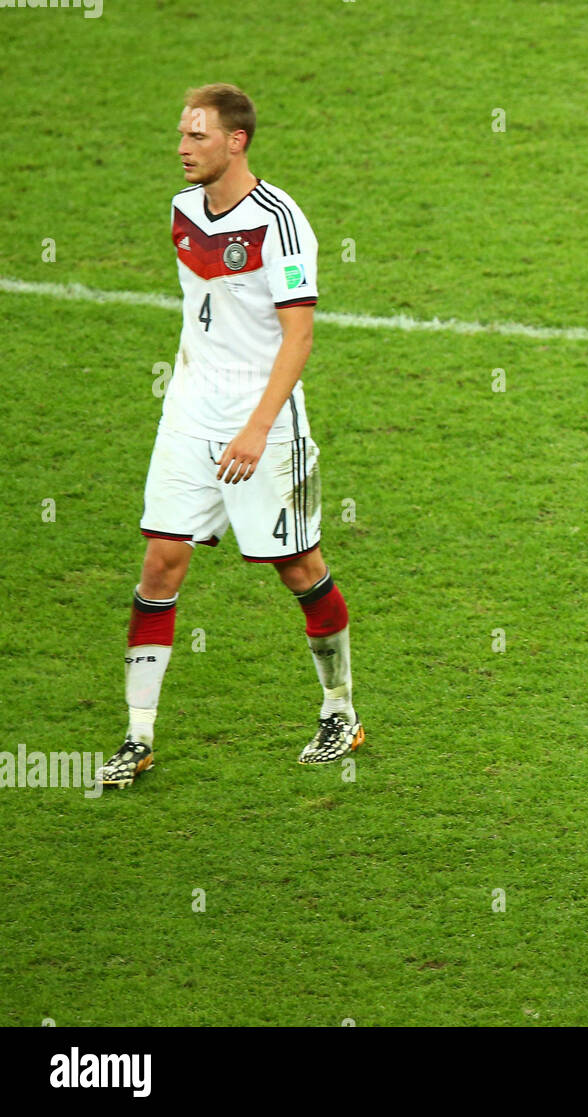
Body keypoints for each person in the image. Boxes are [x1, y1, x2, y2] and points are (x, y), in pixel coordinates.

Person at [97, 83, 362, 788]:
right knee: (161, 561)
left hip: (264, 417)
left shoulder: (281, 221)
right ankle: (137, 734)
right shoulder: (183, 211)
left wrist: (254, 427)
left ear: (236, 141)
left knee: (297, 566)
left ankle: (339, 708)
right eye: (182, 135)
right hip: (190, 410)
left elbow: (298, 336)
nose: (182, 149)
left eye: (198, 137)